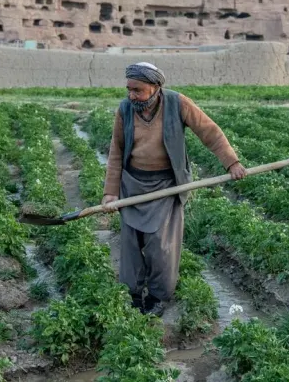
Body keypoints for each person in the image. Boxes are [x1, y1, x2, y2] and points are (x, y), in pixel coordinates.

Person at [102, 62, 246, 316]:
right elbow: (116, 151)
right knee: (132, 245)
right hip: (133, 186)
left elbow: (209, 132)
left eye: (137, 90)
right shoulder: (125, 110)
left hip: (166, 186)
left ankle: (158, 296)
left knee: (161, 246)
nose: (131, 95)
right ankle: (133, 295)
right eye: (129, 89)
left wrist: (231, 162)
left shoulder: (178, 104)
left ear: (155, 87)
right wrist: (111, 192)